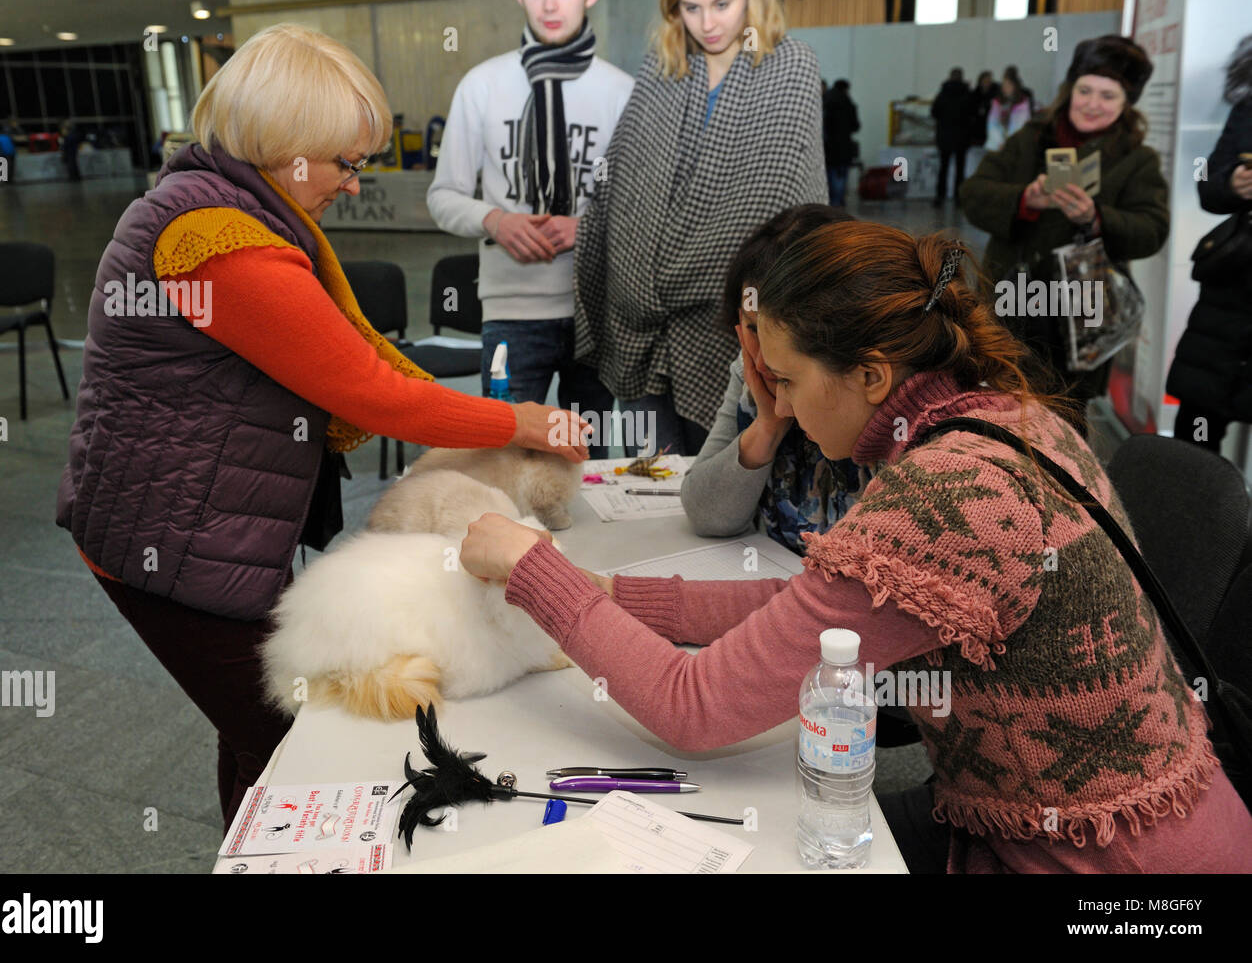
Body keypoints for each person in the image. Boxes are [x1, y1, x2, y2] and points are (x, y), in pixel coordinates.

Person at [459, 220, 1252, 874]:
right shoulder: (1001, 421)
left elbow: (692, 705)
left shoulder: (940, 496)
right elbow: (819, 608)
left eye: (790, 381)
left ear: (871, 375)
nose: (784, 407)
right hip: (1116, 826)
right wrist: (615, 594)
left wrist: (537, 571)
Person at [54, 24, 590, 829]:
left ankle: (254, 849)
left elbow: (362, 354)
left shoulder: (231, 209)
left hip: (200, 525)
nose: (351, 183)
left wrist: (501, 423)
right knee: (299, 742)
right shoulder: (217, 238)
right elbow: (371, 389)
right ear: (287, 143)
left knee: (256, 734)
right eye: (345, 161)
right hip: (169, 539)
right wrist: (517, 418)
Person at [573, 0, 827, 457]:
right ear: (675, 10)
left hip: (727, 317)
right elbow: (628, 180)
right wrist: (637, 276)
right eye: (691, 9)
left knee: (717, 473)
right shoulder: (662, 66)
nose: (707, 22)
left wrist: (675, 269)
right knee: (645, 482)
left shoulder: (790, 64)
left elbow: (772, 196)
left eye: (722, 4)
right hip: (640, 320)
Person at [427, 0, 632, 460]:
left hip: (596, 309)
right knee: (508, 463)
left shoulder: (621, 91)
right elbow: (442, 196)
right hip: (512, 311)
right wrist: (494, 219)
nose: (550, 5)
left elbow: (641, 205)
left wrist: (587, 227)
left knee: (589, 460)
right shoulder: (482, 85)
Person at [960, 35, 1169, 430]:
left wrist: (1096, 219)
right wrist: (1026, 199)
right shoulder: (1030, 138)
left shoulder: (1137, 160)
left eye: (1107, 96)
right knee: (1003, 409)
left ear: (1126, 104)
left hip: (1080, 312)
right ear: (1070, 89)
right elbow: (973, 194)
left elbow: (1153, 228)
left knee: (1067, 420)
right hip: (1013, 297)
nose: (1092, 103)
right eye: (1085, 90)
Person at [682, 203, 876, 553]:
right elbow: (706, 513)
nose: (760, 358)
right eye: (752, 329)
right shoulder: (751, 375)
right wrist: (767, 427)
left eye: (776, 331)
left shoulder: (878, 393)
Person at [1166, 34, 1252, 453]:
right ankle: (1195, 515)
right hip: (1231, 296)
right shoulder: (1247, 108)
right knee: (1196, 429)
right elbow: (1210, 185)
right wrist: (1232, 182)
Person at [931, 68, 973, 206]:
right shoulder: (967, 94)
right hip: (962, 137)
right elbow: (971, 114)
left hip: (944, 137)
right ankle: (958, 198)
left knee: (943, 168)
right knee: (960, 170)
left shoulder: (943, 93)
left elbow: (934, 112)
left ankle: (939, 197)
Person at [823, 79, 859, 207]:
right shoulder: (848, 103)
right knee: (841, 176)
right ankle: (837, 204)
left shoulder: (825, 101)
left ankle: (830, 203)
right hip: (844, 147)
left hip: (827, 148)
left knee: (829, 176)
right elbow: (855, 126)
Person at [984, 67, 1033, 151]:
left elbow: (1021, 125)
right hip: (997, 145)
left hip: (1015, 145)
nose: (1005, 88)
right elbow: (992, 123)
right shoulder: (997, 102)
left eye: (1008, 85)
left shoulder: (1022, 103)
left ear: (1015, 86)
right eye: (1003, 85)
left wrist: (1009, 143)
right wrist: (1000, 142)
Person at [971, 70, 998, 148]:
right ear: (980, 81)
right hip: (978, 129)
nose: (987, 83)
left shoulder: (996, 94)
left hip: (992, 127)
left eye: (989, 81)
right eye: (985, 81)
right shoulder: (975, 94)